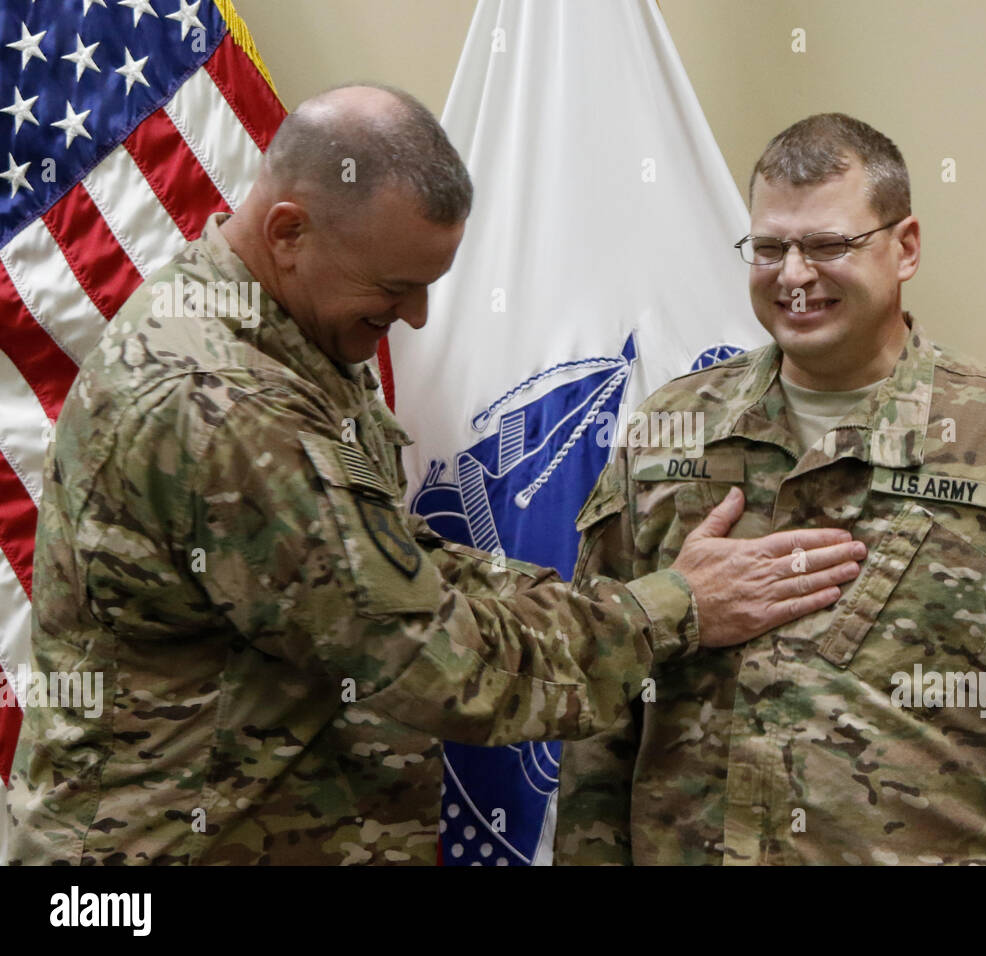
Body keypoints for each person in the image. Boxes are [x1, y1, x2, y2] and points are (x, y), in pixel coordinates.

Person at [5, 87, 868, 866]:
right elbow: (432, 660)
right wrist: (672, 609)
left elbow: (400, 559)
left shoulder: (283, 330)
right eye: (396, 285)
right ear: (288, 232)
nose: (412, 316)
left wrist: (626, 598)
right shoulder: (223, 405)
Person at [555, 113, 986, 866]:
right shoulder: (668, 434)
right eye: (770, 248)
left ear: (904, 247)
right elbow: (600, 708)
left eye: (829, 246)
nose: (794, 276)